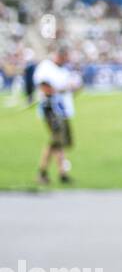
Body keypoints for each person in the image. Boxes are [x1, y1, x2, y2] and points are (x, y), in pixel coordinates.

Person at [34, 45, 80, 185]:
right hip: (51, 109)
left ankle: (62, 173)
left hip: (62, 110)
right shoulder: (46, 67)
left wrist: (73, 88)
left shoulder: (64, 70)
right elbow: (44, 86)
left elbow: (69, 89)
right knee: (56, 141)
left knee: (59, 143)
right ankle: (43, 173)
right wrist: (60, 89)